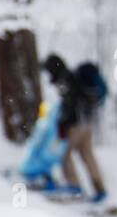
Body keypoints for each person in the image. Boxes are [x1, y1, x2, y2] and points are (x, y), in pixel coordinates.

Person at [40, 54, 108, 203]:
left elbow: (69, 105)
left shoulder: (65, 80)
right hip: (87, 123)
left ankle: (74, 186)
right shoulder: (75, 77)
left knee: (64, 154)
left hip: (75, 125)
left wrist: (62, 124)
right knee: (87, 156)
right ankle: (100, 189)